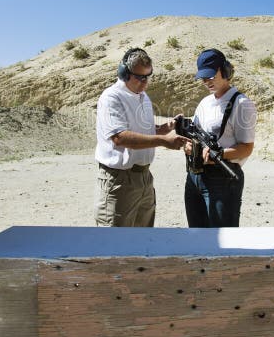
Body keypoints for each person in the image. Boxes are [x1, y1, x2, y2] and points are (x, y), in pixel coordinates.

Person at [95, 47, 188, 227]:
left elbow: (144, 131)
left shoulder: (143, 97)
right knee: (114, 245)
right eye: (140, 77)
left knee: (142, 240)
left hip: (144, 178)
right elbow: (120, 137)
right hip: (119, 179)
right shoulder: (111, 98)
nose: (145, 82)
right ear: (124, 73)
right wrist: (163, 141)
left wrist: (165, 128)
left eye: (148, 76)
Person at [184, 48, 257, 227]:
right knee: (196, 237)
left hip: (223, 180)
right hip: (195, 177)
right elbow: (194, 132)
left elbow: (247, 147)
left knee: (224, 241)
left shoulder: (242, 104)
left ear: (225, 71)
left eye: (210, 75)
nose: (206, 81)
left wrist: (220, 154)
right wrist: (189, 146)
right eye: (203, 77)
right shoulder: (205, 102)